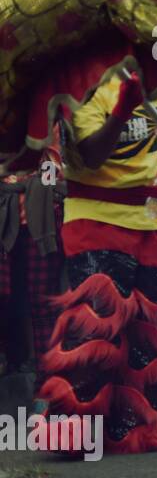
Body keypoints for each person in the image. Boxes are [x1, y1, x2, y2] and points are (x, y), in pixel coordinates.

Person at [38, 72, 157, 453]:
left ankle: (134, 427)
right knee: (95, 332)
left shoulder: (149, 85)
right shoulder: (81, 90)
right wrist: (123, 109)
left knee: (149, 336)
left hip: (149, 224)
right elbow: (90, 156)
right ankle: (74, 432)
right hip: (96, 222)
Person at [0, 150, 63, 373]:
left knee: (43, 301)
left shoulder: (46, 152)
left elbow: (50, 183)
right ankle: (14, 359)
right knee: (6, 299)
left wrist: (18, 183)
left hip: (40, 234)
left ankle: (48, 365)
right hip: (6, 233)